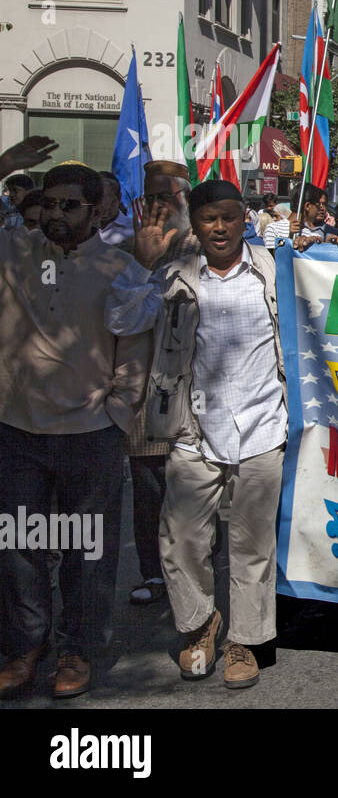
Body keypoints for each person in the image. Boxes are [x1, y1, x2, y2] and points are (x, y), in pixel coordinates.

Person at [105, 180, 338, 691]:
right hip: (193, 434)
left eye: (229, 217)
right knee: (181, 540)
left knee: (252, 546)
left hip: (263, 430)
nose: (219, 227)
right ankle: (199, 624)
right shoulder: (173, 277)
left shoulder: (273, 272)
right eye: (209, 218)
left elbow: (334, 299)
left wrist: (336, 248)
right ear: (196, 222)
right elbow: (122, 318)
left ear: (243, 220)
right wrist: (141, 265)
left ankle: (244, 641)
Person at [0, 150, 150, 700]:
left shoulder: (121, 270)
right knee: (18, 550)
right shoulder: (13, 251)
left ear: (96, 212)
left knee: (86, 555)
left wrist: (115, 415)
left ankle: (76, 651)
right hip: (16, 432)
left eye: (70, 205)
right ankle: (24, 648)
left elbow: (135, 353)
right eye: (49, 203)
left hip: (89, 438)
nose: (56, 214)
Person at [123, 161, 202, 607]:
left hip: (196, 393)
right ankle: (153, 574)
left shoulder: (205, 246)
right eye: (150, 197)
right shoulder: (126, 248)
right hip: (143, 393)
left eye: (167, 197)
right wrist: (141, 262)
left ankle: (196, 570)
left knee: (196, 492)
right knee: (149, 490)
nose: (158, 206)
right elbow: (120, 316)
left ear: (183, 200)